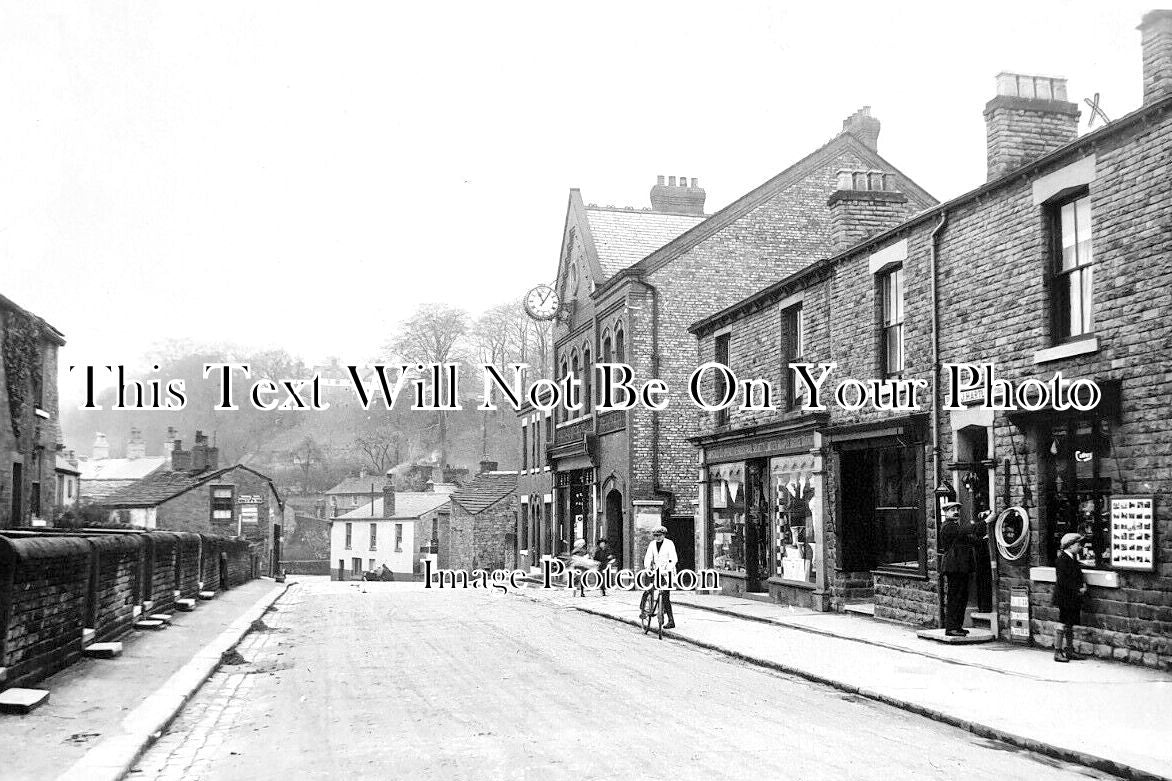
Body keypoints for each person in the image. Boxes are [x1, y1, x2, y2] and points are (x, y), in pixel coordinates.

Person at [940, 501, 980, 636]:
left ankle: (957, 626)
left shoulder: (956, 527)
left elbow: (969, 540)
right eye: (952, 510)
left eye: (957, 510)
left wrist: (984, 540)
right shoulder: (948, 526)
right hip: (954, 567)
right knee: (955, 597)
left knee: (962, 597)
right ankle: (951, 628)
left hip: (961, 567)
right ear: (946, 513)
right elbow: (966, 531)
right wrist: (985, 521)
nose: (956, 512)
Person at [1052, 532, 1088, 662]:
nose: (1080, 547)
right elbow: (1063, 581)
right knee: (1063, 622)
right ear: (1070, 545)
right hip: (1065, 597)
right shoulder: (1062, 560)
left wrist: (1082, 584)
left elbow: (1077, 575)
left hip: (1072, 597)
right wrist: (1078, 589)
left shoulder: (1072, 558)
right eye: (1078, 544)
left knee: (1070, 623)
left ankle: (1069, 650)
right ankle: (1057, 651)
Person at [642, 526, 677, 629]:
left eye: (659, 535)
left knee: (665, 596)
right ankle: (644, 609)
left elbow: (673, 558)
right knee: (649, 590)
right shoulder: (652, 544)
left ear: (664, 535)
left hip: (667, 573)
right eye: (655, 536)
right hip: (656, 572)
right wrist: (648, 567)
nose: (657, 537)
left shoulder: (669, 543)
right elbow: (648, 557)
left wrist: (668, 569)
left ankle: (671, 621)